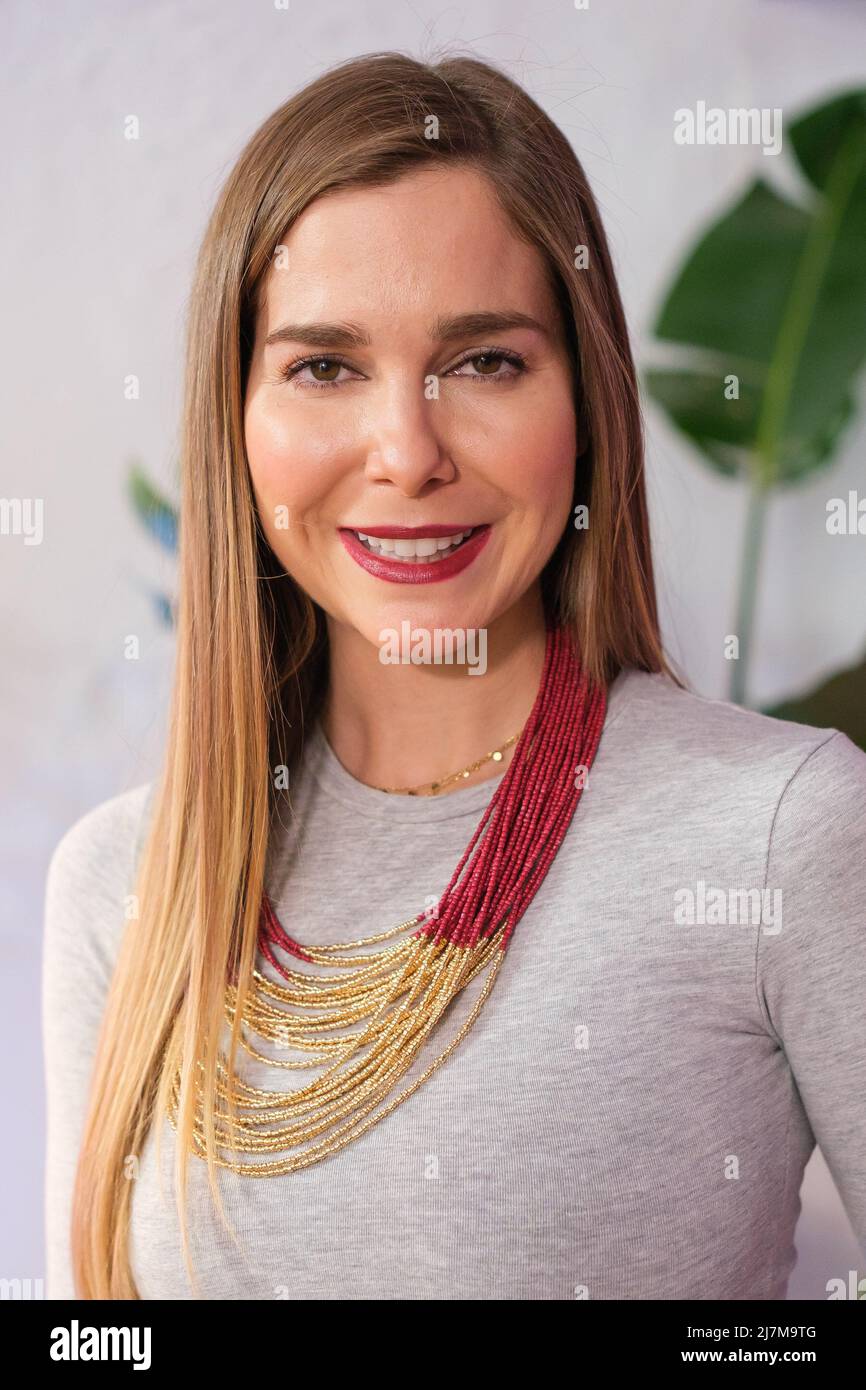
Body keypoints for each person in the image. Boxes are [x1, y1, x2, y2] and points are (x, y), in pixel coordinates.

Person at [43, 50, 866, 1301]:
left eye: (483, 361)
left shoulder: (777, 831)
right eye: (324, 365)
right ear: (238, 417)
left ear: (582, 399)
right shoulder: (120, 884)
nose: (407, 450)